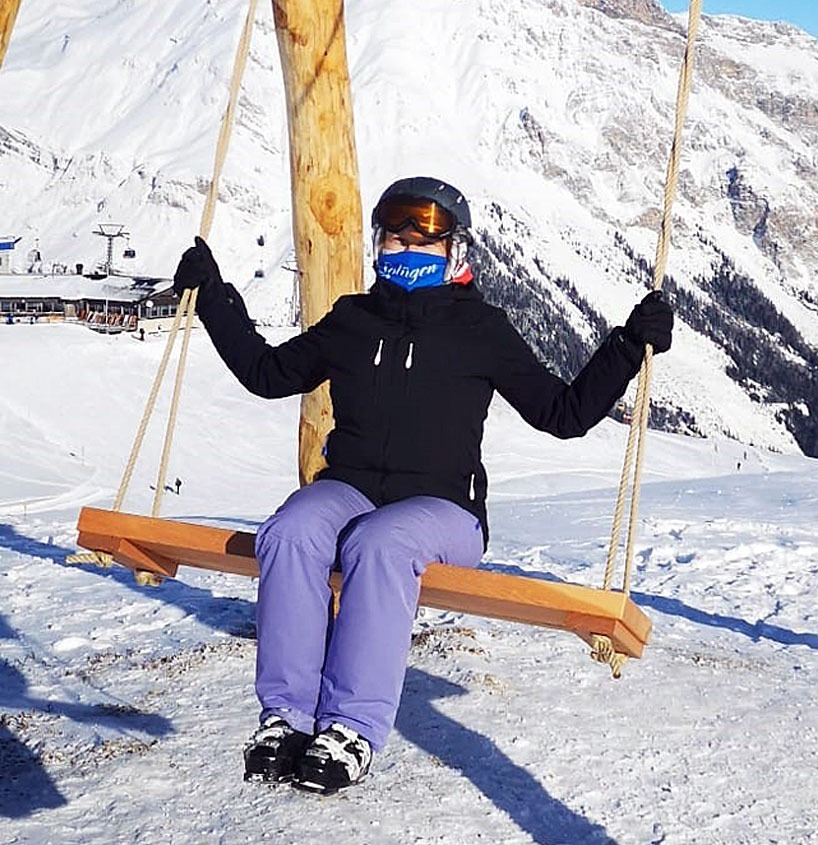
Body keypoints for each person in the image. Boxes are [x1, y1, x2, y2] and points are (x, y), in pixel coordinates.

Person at [173, 175, 673, 797]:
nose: (410, 252)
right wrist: (215, 296)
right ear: (379, 246)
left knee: (381, 545)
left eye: (426, 244)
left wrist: (628, 347)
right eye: (397, 239)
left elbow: (563, 414)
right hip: (351, 491)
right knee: (291, 530)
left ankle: (351, 728)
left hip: (445, 512)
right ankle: (285, 719)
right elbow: (267, 372)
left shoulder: (480, 330)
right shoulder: (352, 321)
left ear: (455, 253)